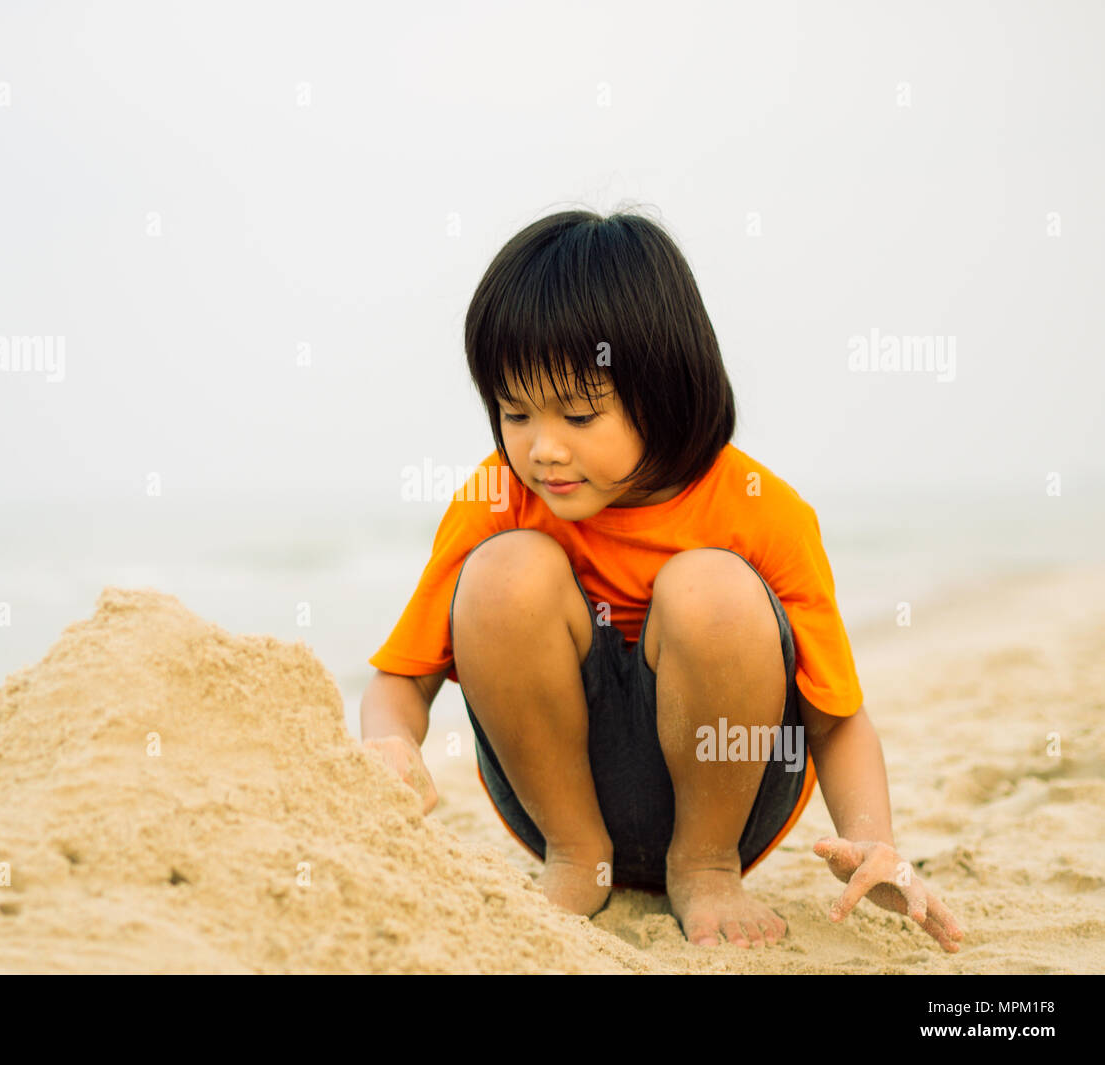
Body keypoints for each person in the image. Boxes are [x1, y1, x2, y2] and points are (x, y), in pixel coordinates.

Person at [360, 208, 964, 952]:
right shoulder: (498, 499)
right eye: (515, 412)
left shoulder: (762, 510)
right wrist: (390, 744)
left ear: (665, 389)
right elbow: (401, 681)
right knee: (502, 572)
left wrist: (873, 839)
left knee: (710, 588)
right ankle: (579, 857)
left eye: (580, 414)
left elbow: (836, 716)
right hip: (556, 800)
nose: (543, 448)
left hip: (729, 795)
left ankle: (704, 867)